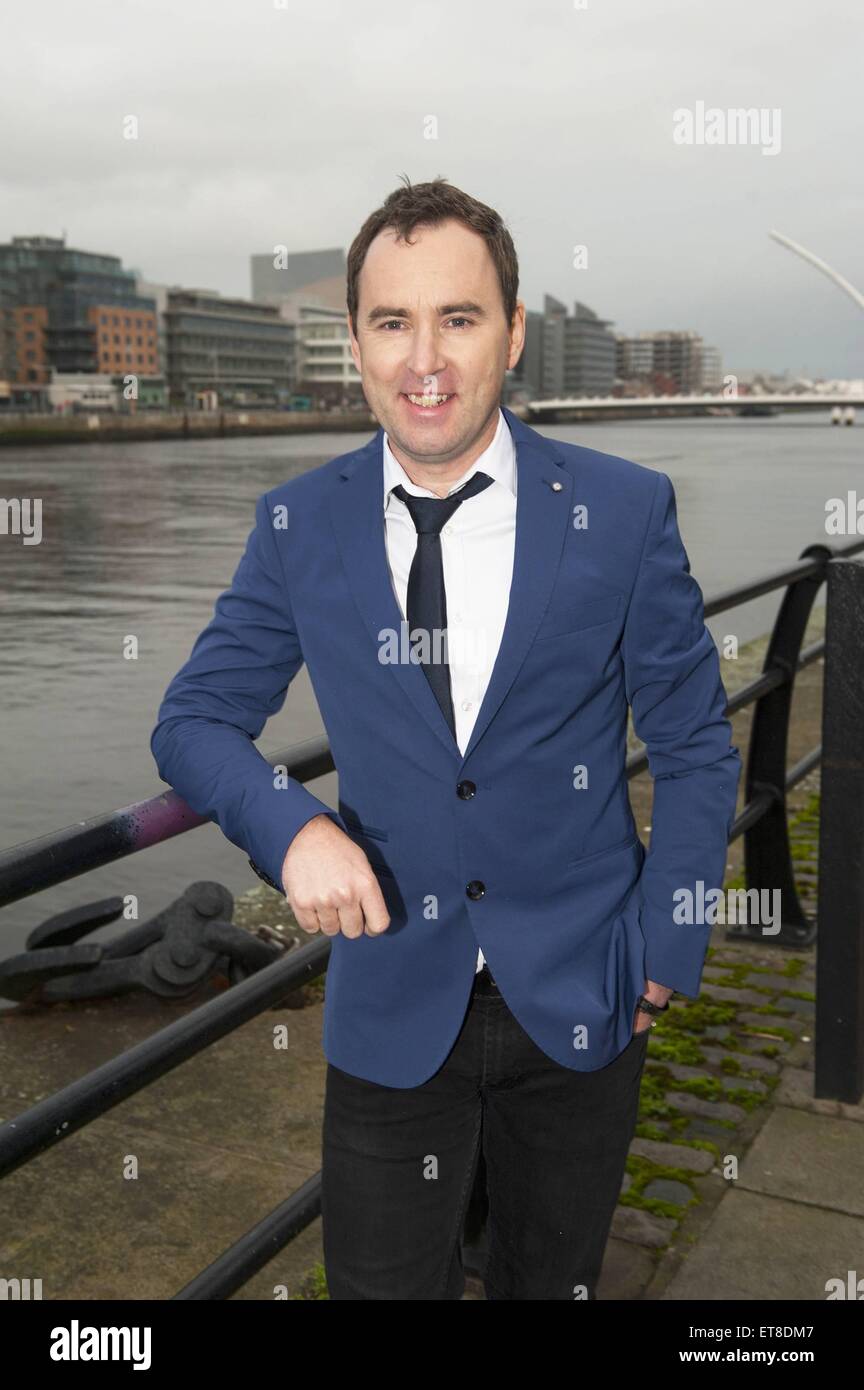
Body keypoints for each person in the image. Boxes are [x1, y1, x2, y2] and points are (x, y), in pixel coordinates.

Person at [151, 176, 741, 1300]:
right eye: (393, 321)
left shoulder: (620, 510)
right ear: (359, 344)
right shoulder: (298, 523)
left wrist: (669, 948)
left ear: (512, 333)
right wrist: (292, 831)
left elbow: (699, 746)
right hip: (391, 1008)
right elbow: (192, 721)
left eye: (458, 318)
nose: (427, 359)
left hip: (586, 1000)